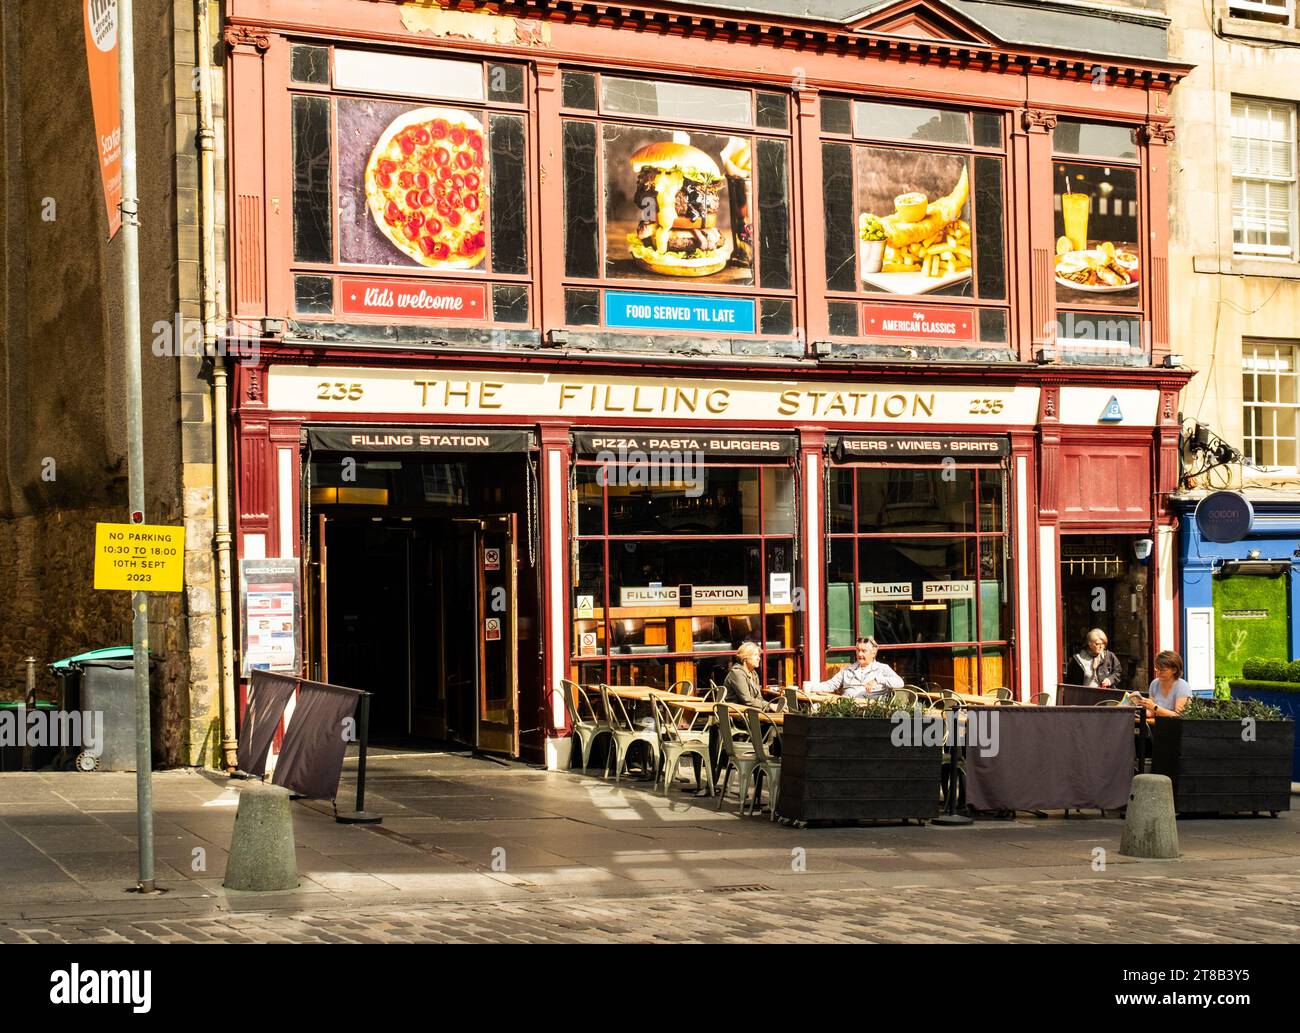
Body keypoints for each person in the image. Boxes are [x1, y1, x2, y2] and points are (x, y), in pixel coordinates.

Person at [818, 637, 904, 699]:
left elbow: (900, 683)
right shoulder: (848, 670)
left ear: (873, 653)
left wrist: (878, 680)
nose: (859, 654)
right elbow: (831, 685)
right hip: (847, 708)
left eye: (863, 651)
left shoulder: (882, 668)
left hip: (871, 712)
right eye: (858, 650)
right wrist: (811, 687)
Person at [1132, 650, 1191, 718]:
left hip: (1175, 727)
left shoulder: (1182, 686)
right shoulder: (1155, 683)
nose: (1158, 673)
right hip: (1157, 725)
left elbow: (1179, 716)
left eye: (1163, 670)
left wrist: (1155, 708)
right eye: (1157, 669)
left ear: (1174, 670)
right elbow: (1151, 712)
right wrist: (1138, 704)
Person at [722, 642, 779, 711]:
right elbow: (747, 700)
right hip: (735, 713)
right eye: (755, 655)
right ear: (745, 657)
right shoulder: (737, 673)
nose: (759, 658)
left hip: (749, 711)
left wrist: (769, 707)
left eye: (759, 656)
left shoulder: (754, 674)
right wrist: (769, 706)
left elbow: (759, 698)